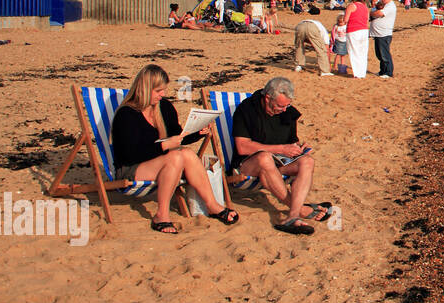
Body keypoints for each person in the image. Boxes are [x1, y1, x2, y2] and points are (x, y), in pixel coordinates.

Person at [111, 64, 237, 232]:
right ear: (144, 89)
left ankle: (213, 205)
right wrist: (165, 145)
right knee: (175, 157)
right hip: (130, 167)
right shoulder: (126, 115)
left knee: (186, 153)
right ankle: (161, 215)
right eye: (158, 91)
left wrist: (197, 132)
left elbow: (177, 135)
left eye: (163, 90)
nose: (162, 94)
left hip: (161, 163)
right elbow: (129, 154)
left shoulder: (164, 107)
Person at [230, 77, 329, 234]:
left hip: (276, 166)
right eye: (280, 106)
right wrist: (281, 149)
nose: (284, 110)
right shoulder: (247, 110)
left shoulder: (287, 112)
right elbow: (242, 147)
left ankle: (293, 216)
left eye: (286, 105)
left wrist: (298, 148)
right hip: (247, 167)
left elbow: (291, 142)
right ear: (268, 97)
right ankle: (301, 210)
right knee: (264, 158)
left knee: (307, 162)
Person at [370, 0, 396, 79]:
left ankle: (388, 72)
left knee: (385, 54)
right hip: (378, 33)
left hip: (384, 34)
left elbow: (379, 13)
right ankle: (383, 71)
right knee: (379, 54)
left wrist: (373, 13)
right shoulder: (384, 5)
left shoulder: (390, 6)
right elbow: (374, 11)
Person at [344, 0, 370, 78]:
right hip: (364, 30)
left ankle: (357, 73)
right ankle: (362, 73)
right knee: (363, 52)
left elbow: (346, 20)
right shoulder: (365, 7)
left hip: (353, 30)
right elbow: (367, 19)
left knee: (354, 51)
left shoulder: (351, 6)